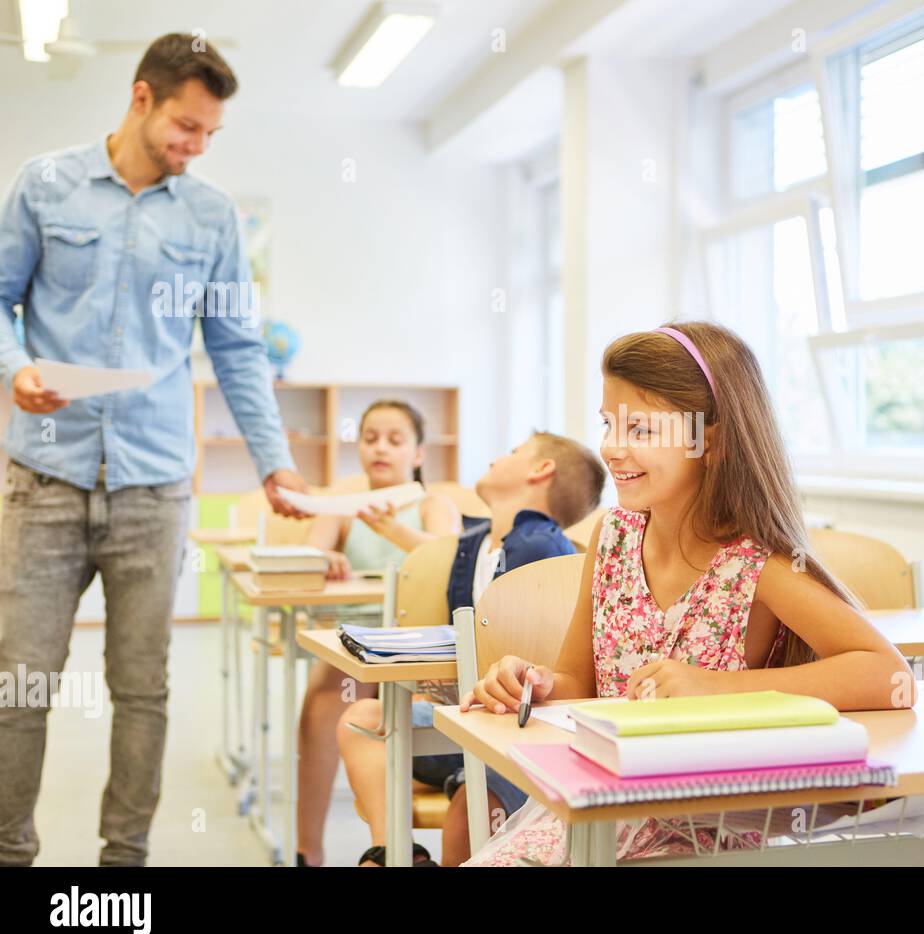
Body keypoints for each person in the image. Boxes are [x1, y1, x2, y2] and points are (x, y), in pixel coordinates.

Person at [0, 34, 311, 867]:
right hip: (44, 476)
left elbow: (239, 349)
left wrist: (275, 462)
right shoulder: (45, 184)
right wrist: (16, 366)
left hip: (154, 486)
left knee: (142, 688)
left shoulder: (210, 216)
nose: (196, 147)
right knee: (20, 683)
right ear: (141, 99)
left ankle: (123, 866)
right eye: (185, 127)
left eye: (210, 135)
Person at [458, 322, 915, 866]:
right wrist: (532, 682)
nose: (612, 448)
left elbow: (889, 677)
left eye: (642, 430)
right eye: (608, 424)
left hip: (702, 832)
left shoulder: (757, 561)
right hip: (600, 812)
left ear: (712, 439)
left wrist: (718, 687)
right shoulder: (613, 534)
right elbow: (579, 682)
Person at [298, 431, 604, 866]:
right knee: (362, 720)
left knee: (467, 816)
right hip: (467, 717)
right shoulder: (476, 542)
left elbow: (533, 651)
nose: (498, 455)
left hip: (513, 730)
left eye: (513, 451)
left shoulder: (540, 546)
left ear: (541, 470)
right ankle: (395, 853)